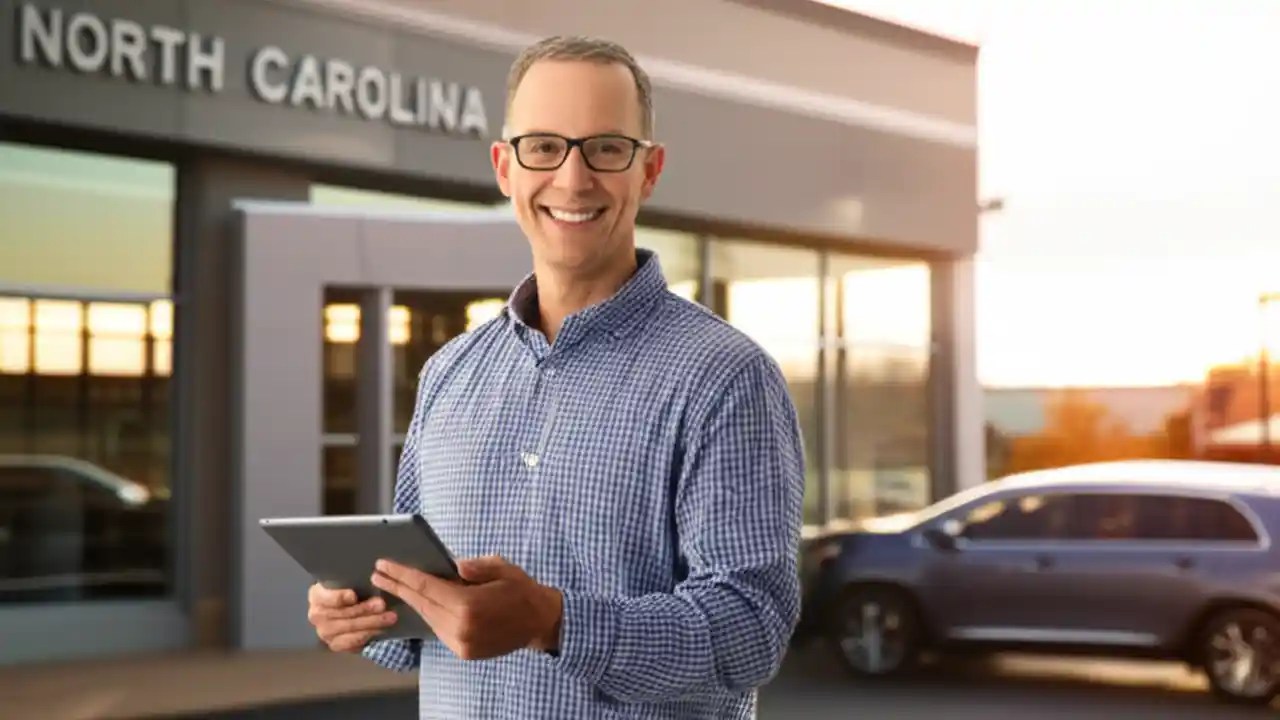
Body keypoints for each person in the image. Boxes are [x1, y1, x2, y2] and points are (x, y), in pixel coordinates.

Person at [305, 35, 805, 719]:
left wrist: (555, 620)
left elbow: (752, 631)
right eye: (544, 146)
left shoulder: (725, 379)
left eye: (606, 148)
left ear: (648, 171)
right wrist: (362, 615)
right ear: (504, 167)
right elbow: (428, 614)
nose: (573, 180)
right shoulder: (449, 374)